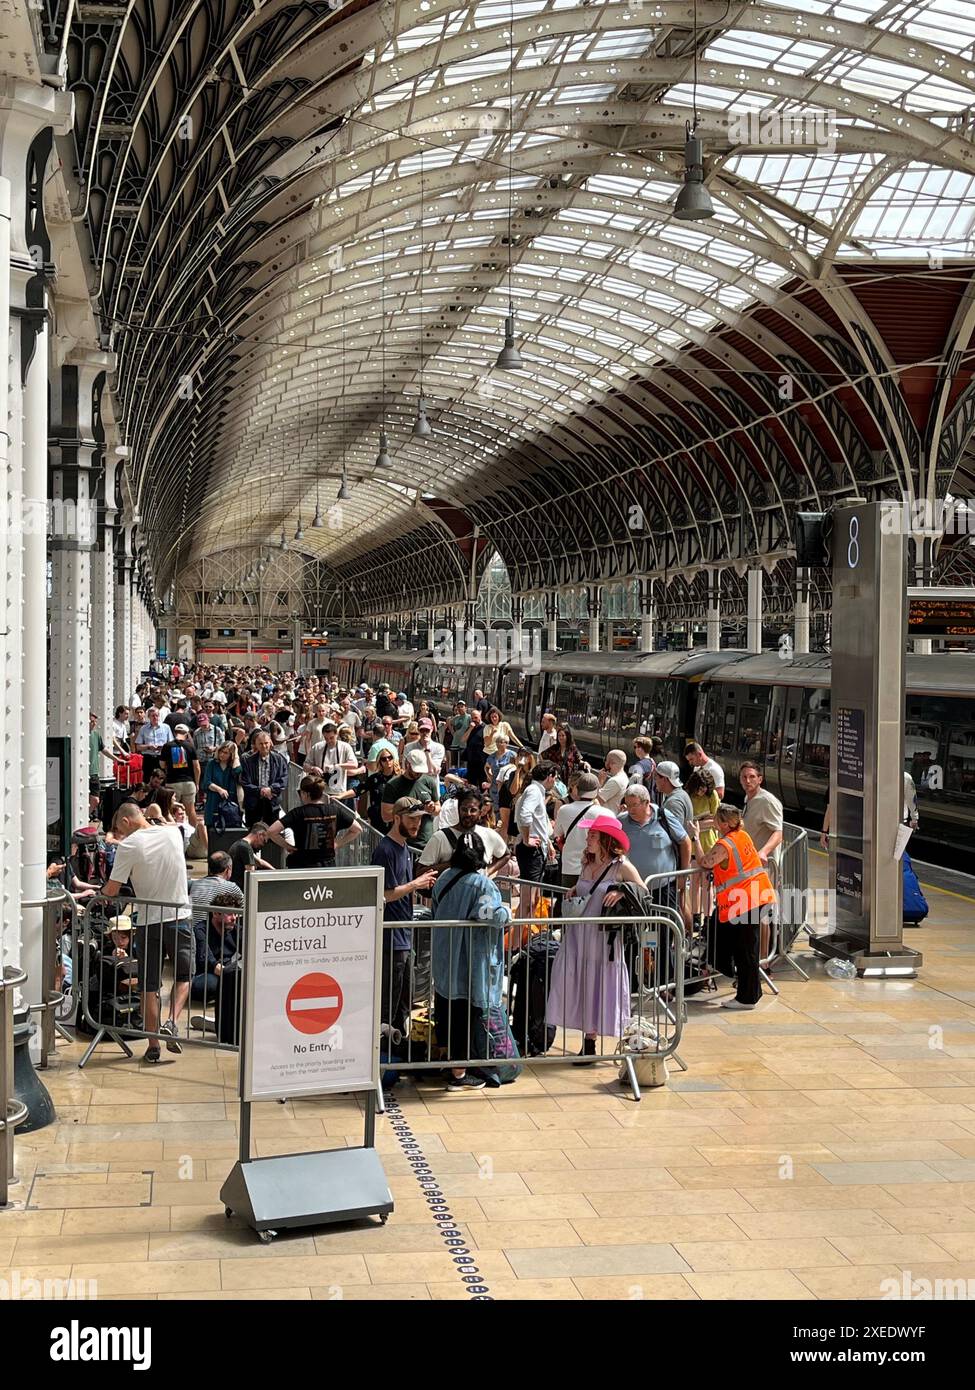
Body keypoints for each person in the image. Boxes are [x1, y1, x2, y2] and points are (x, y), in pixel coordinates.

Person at [545, 817, 644, 1059]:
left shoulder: (621, 866)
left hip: (603, 938)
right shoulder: (585, 863)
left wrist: (622, 891)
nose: (587, 839)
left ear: (605, 841)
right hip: (579, 934)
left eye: (592, 836)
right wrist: (574, 890)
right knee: (581, 982)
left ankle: (596, 1039)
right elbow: (585, 889)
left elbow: (642, 889)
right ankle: (587, 1039)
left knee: (598, 983)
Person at [101, 802, 193, 1061]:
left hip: (148, 922)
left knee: (149, 985)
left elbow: (112, 889)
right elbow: (167, 820)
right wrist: (157, 813)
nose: (120, 835)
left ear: (126, 822)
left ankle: (153, 1045)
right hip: (180, 916)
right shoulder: (174, 833)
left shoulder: (129, 845)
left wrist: (98, 895)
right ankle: (172, 1021)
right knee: (185, 976)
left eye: (119, 829)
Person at [431, 830, 512, 1090]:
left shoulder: (444, 878)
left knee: (445, 1008)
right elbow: (490, 914)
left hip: (445, 956)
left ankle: (446, 1060)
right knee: (467, 1014)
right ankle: (459, 1073)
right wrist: (507, 912)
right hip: (471, 963)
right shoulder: (483, 884)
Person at [699, 803, 776, 1010]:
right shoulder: (743, 835)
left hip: (746, 901)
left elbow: (705, 861)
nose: (714, 822)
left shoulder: (724, 844)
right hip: (755, 896)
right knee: (740, 944)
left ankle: (747, 997)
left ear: (723, 823)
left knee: (746, 950)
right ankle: (740, 984)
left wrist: (696, 838)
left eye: (716, 820)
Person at [372, 798, 438, 1040]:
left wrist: (420, 885)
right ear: (397, 817)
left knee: (403, 999)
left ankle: (399, 1048)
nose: (416, 824)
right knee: (389, 1001)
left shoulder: (404, 849)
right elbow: (382, 894)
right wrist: (415, 884)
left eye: (419, 819)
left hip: (403, 935)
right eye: (411, 819)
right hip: (391, 937)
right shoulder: (386, 850)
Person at [618, 785, 690, 915]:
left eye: (634, 805)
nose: (630, 809)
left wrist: (683, 875)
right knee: (636, 930)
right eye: (628, 805)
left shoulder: (664, 817)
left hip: (664, 887)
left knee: (666, 929)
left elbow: (685, 842)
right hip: (633, 889)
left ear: (646, 802)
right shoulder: (621, 822)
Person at [266, 774, 361, 867]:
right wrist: (337, 844)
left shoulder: (298, 813)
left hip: (303, 866)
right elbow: (357, 829)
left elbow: (271, 831)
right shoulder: (335, 811)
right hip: (327, 866)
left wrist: (288, 846)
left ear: (305, 794)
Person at [419, 789, 508, 875]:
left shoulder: (489, 834)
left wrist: (487, 872)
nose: (468, 814)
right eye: (464, 810)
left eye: (473, 810)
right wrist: (452, 865)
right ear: (458, 810)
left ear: (480, 813)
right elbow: (420, 872)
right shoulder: (440, 837)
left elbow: (506, 855)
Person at [190, 893, 242, 1034]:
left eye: (236, 914)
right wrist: (230, 977)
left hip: (226, 972)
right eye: (230, 914)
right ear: (215, 913)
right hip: (205, 974)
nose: (234, 918)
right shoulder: (201, 929)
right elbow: (206, 960)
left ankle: (221, 1022)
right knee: (213, 984)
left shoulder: (236, 929)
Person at [553, 771, 608, 887]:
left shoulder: (563, 810)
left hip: (570, 868)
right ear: (596, 790)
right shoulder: (605, 813)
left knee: (569, 903)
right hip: (597, 868)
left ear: (577, 789)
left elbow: (557, 834)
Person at [381, 749, 441, 849]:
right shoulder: (393, 785)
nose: (418, 774)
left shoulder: (429, 782)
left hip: (425, 842)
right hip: (402, 842)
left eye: (421, 771)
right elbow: (386, 816)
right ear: (407, 764)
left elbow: (438, 808)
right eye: (416, 770)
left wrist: (432, 808)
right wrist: (412, 809)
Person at [514, 760, 559, 887]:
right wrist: (527, 839)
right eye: (555, 777)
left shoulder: (536, 791)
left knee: (533, 897)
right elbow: (525, 814)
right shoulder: (534, 790)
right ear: (550, 777)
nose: (555, 781)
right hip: (531, 850)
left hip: (536, 848)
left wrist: (548, 843)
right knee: (529, 896)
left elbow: (537, 821)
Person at [159, 724, 203, 845]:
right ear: (186, 734)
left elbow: (162, 765)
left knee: (171, 810)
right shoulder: (190, 746)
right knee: (191, 810)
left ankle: (173, 839)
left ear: (174, 732)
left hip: (173, 782)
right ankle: (195, 839)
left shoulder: (167, 746)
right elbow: (197, 767)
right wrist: (197, 783)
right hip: (189, 781)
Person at [240, 731, 289, 825]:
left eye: (266, 743)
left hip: (272, 802)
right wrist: (261, 791)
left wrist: (271, 789)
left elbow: (284, 779)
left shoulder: (279, 759)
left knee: (272, 833)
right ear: (256, 745)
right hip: (253, 802)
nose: (264, 746)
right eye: (260, 744)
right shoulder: (248, 761)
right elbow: (244, 781)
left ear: (270, 742)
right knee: (252, 830)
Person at [739, 761, 783, 867]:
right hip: (750, 863)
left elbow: (778, 833)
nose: (747, 781)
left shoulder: (767, 801)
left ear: (760, 779)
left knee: (756, 885)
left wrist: (763, 852)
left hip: (763, 866)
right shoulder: (748, 798)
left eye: (752, 777)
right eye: (744, 777)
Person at [305, 720, 358, 798]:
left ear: (337, 734)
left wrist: (336, 766)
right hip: (320, 791)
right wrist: (313, 768)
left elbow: (354, 765)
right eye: (326, 738)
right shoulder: (317, 747)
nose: (329, 740)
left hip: (338, 792)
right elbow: (305, 766)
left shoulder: (345, 747)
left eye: (331, 738)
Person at [202, 741, 242, 830]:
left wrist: (235, 756)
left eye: (226, 753)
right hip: (213, 801)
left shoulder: (233, 765)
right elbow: (206, 783)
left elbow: (237, 771)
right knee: (212, 831)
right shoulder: (212, 764)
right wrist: (219, 789)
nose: (222, 754)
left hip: (229, 804)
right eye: (221, 751)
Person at [228, 823, 273, 890]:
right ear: (259, 835)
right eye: (264, 841)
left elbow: (259, 862)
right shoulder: (246, 848)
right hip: (240, 891)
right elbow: (252, 876)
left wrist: (275, 871)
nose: (263, 845)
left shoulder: (240, 844)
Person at [363, 749, 400, 831]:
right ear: (380, 762)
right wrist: (340, 796)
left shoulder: (401, 778)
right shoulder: (374, 779)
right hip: (377, 821)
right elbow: (358, 790)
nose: (387, 760)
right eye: (384, 759)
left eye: (390, 758)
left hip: (396, 821)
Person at [134, 706, 173, 781]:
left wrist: (163, 747)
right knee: (148, 780)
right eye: (153, 716)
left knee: (162, 780)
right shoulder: (144, 729)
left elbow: (171, 744)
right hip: (148, 758)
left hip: (162, 758)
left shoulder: (166, 728)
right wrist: (149, 746)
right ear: (148, 717)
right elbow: (138, 746)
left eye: (156, 715)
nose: (155, 717)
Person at [653, 761, 694, 831]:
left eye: (655, 776)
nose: (655, 780)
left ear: (665, 779)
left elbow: (675, 835)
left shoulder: (673, 803)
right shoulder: (682, 794)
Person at [485, 734, 516, 810]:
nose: (499, 744)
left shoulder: (512, 755)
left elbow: (515, 767)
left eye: (501, 742)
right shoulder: (492, 756)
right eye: (497, 742)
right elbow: (486, 767)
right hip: (494, 787)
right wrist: (490, 776)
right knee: (495, 809)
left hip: (506, 787)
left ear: (507, 743)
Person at [461, 707, 487, 790]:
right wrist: (470, 729)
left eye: (476, 717)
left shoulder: (486, 728)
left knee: (482, 783)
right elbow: (463, 740)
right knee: (471, 784)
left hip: (482, 761)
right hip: (471, 760)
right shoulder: (470, 727)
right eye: (472, 718)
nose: (474, 720)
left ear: (480, 717)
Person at [597, 749, 629, 813]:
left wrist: (599, 781)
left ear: (609, 763)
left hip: (605, 816)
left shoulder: (615, 781)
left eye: (605, 760)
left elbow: (598, 801)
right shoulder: (624, 777)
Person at [449, 700, 471, 769]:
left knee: (463, 765)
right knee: (454, 765)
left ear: (466, 708)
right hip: (455, 743)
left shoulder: (469, 717)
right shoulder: (456, 717)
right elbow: (449, 722)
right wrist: (452, 731)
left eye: (462, 707)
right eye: (458, 707)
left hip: (464, 745)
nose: (460, 708)